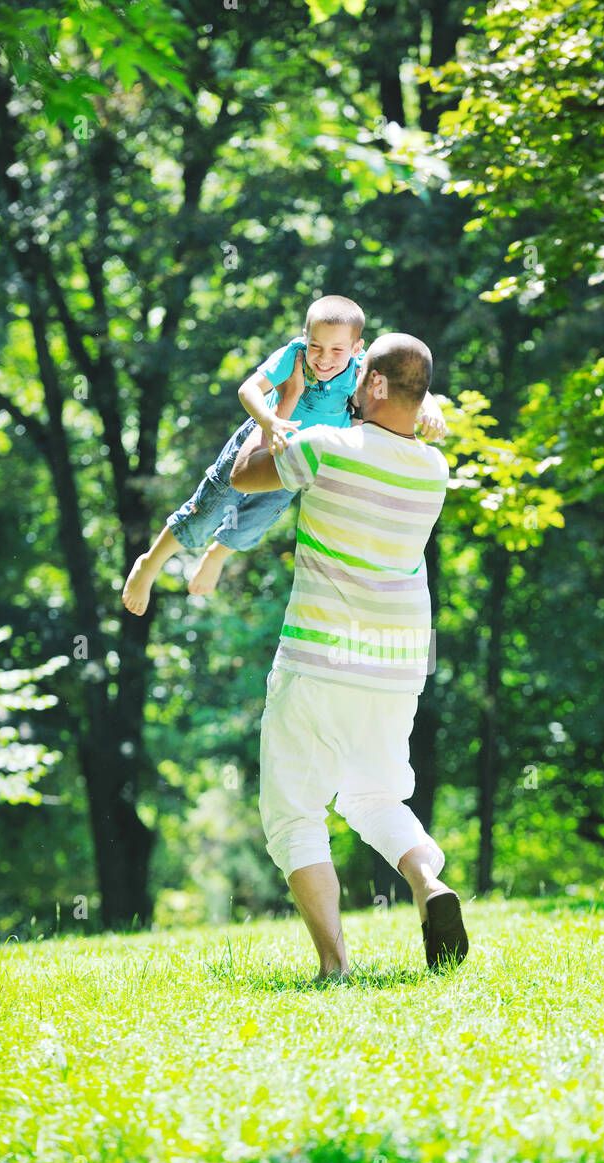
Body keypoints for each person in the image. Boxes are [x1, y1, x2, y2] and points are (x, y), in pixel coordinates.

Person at [228, 331, 468, 983]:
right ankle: (427, 883)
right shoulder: (433, 467)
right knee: (373, 793)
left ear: (380, 387)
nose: (350, 387)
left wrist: (289, 401)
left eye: (360, 377)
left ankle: (334, 965)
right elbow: (405, 419)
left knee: (292, 809)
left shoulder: (322, 447)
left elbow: (242, 474)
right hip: (397, 661)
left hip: (319, 657)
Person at [121, 296, 446, 615]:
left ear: (357, 348)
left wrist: (431, 408)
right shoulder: (294, 357)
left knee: (256, 520)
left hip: (296, 460)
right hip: (262, 441)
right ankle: (149, 563)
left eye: (337, 350)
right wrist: (269, 421)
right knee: (207, 510)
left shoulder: (360, 367)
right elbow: (248, 389)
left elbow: (408, 378)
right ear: (305, 338)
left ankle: (217, 554)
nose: (324, 358)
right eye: (316, 346)